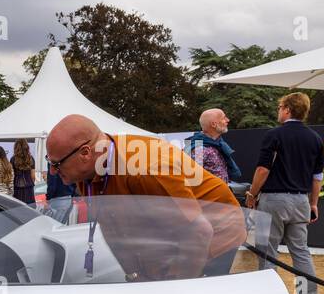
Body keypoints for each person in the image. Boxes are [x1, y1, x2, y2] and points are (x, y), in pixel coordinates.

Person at [45, 113, 244, 280]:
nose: (53, 172)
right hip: (179, 232)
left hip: (217, 230)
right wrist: (134, 275)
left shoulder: (146, 169)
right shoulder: (87, 172)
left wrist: (174, 292)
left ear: (85, 153)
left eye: (56, 164)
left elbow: (198, 233)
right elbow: (114, 229)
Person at [246, 92, 324, 294]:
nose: (278, 111)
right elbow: (317, 177)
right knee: (300, 251)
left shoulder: (274, 135)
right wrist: (314, 204)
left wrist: (252, 194)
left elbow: (263, 169)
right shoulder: (315, 138)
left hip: (275, 199)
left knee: (268, 249)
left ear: (287, 109)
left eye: (280, 107)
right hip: (301, 201)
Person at [185, 109, 241, 185]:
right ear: (214, 124)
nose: (228, 120)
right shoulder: (199, 150)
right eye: (223, 118)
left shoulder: (218, 144)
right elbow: (192, 182)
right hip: (208, 196)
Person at [10, 139, 37, 206]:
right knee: (30, 210)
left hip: (17, 188)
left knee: (18, 209)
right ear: (26, 147)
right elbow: (33, 176)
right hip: (28, 188)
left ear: (16, 147)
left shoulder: (13, 159)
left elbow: (11, 175)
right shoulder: (31, 158)